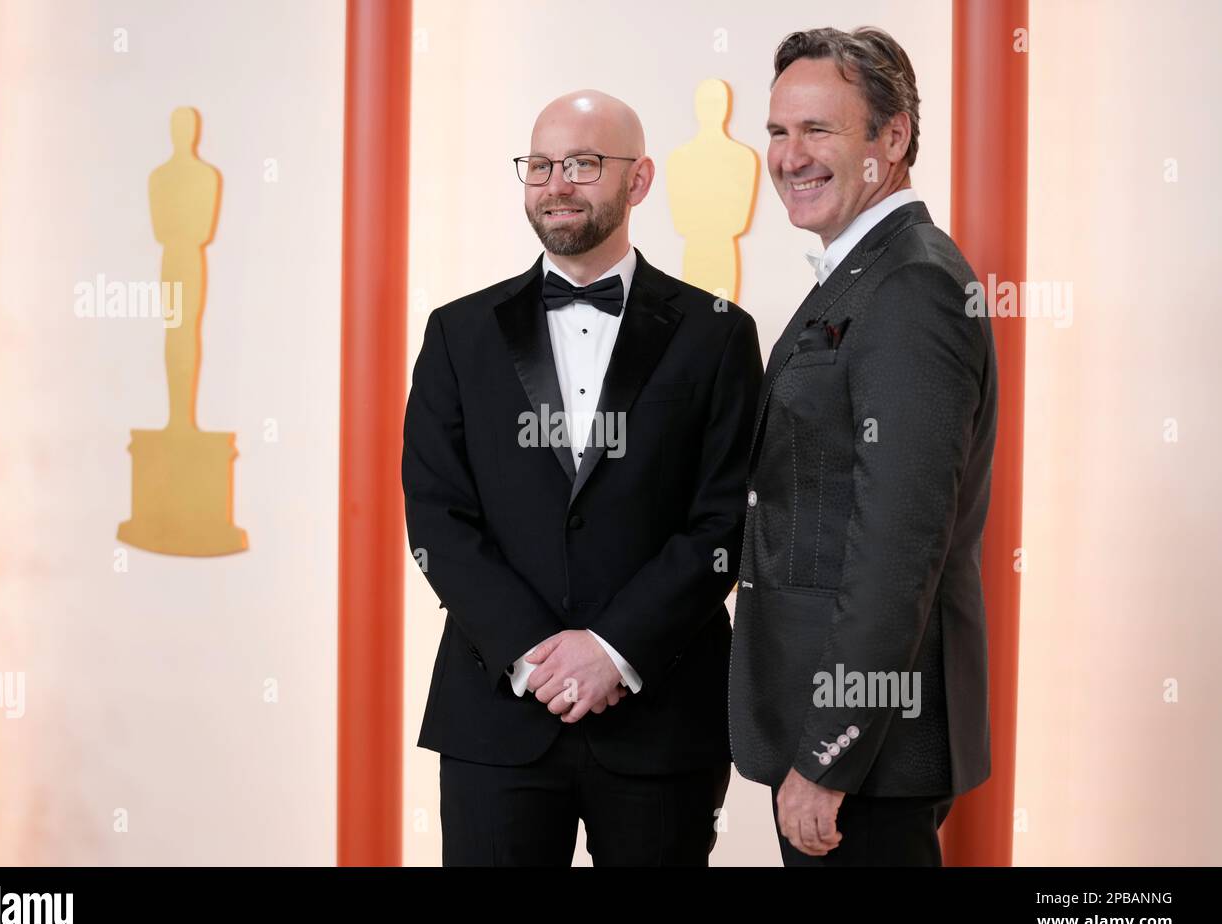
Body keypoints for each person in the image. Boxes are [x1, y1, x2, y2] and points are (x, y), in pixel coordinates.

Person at [403, 89, 763, 866]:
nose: (556, 183)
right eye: (539, 165)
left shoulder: (720, 333)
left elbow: (724, 519)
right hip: (495, 715)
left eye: (582, 163)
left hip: (662, 717)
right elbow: (437, 519)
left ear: (638, 182)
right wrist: (535, 655)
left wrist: (614, 650)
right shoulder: (456, 333)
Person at [729, 27, 999, 866]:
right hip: (839, 736)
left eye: (819, 130)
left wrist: (827, 754)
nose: (789, 155)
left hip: (863, 753)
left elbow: (897, 548)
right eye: (778, 131)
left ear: (893, 137)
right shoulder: (865, 272)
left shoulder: (910, 284)